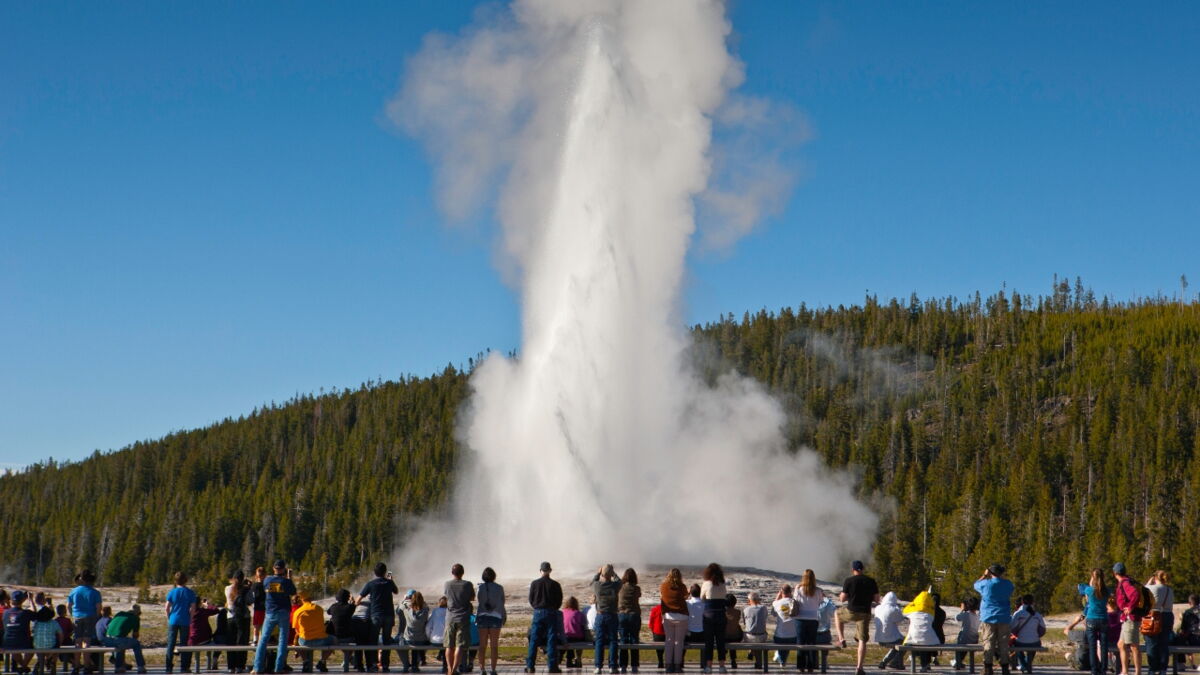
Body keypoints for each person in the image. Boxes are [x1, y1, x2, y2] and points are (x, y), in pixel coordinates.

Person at [834, 561, 881, 675]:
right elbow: (876, 599)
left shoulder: (849, 581)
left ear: (853, 569)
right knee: (862, 640)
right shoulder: (871, 581)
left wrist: (843, 595)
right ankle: (859, 667)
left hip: (852, 611)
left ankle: (841, 639)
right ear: (863, 569)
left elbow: (843, 599)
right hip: (865, 612)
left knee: (837, 614)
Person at [252, 560, 298, 675]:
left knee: (263, 640)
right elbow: (293, 592)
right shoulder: (285, 581)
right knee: (282, 641)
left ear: (273, 568)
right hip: (283, 612)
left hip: (270, 612)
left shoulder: (267, 580)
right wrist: (289, 578)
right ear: (283, 569)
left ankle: (257, 667)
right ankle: (278, 668)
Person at [358, 563, 400, 672]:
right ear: (385, 572)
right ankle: (385, 665)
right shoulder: (389, 583)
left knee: (373, 640)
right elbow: (396, 591)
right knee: (387, 641)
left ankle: (373, 664)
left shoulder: (370, 584)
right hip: (389, 616)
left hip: (376, 615)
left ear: (374, 572)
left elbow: (358, 599)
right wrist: (391, 580)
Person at [974, 564, 1015, 675]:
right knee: (1004, 643)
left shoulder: (985, 584)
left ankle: (988, 667)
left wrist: (984, 575)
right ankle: (1005, 668)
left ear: (990, 573)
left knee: (988, 642)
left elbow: (975, 584)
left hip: (988, 617)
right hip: (1004, 617)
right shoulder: (1008, 584)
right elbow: (1011, 589)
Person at [526, 561, 563, 673]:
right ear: (550, 571)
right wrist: (553, 608)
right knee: (551, 640)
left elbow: (531, 599)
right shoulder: (555, 584)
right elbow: (559, 600)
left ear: (540, 571)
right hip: (551, 612)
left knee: (534, 640)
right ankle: (552, 666)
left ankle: (530, 666)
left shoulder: (534, 583)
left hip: (538, 612)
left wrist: (537, 607)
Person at [292, 590, 335, 673]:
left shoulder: (298, 612)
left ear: (300, 600)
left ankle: (305, 661)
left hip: (305, 641)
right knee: (334, 640)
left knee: (296, 641)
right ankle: (322, 661)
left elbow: (296, 630)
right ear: (310, 598)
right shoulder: (319, 609)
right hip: (321, 640)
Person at [1076, 569, 1109, 675]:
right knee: (1104, 646)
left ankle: (1094, 670)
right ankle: (1103, 669)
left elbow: (1080, 586)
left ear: (1093, 578)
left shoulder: (1089, 590)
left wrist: (1091, 582)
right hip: (1103, 618)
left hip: (1091, 619)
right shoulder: (1106, 591)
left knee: (1092, 646)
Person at [69, 569, 104, 673]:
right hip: (90, 616)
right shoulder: (95, 592)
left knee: (77, 641)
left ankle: (76, 665)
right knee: (87, 641)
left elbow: (69, 606)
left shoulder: (74, 591)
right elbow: (98, 607)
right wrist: (97, 616)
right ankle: (87, 666)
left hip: (77, 617)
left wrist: (73, 615)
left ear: (82, 579)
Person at [444, 564, 476, 675]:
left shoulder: (447, 584)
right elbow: (472, 598)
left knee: (449, 645)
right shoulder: (467, 584)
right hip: (463, 617)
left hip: (450, 618)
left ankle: (449, 668)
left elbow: (446, 597)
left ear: (452, 573)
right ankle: (454, 669)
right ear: (463, 573)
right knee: (460, 645)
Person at [1113, 563, 1144, 675]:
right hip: (1127, 618)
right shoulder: (1127, 581)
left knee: (1134, 645)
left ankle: (1137, 672)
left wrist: (1130, 607)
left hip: (1131, 618)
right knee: (1121, 644)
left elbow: (1135, 594)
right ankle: (1124, 671)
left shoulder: (1125, 583)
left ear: (1115, 573)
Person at [473, 567, 505, 675]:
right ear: (494, 576)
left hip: (482, 616)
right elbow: (502, 602)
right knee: (494, 645)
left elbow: (478, 600)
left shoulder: (480, 587)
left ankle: (482, 669)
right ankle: (493, 669)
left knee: (482, 645)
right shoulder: (499, 588)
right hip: (495, 617)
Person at [165, 572, 198, 674]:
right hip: (185, 620)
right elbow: (193, 608)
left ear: (175, 581)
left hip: (173, 619)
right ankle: (184, 667)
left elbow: (167, 607)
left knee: (171, 644)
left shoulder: (172, 592)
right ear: (186, 580)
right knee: (184, 644)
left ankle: (168, 667)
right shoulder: (190, 592)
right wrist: (191, 618)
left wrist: (169, 617)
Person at [592, 564, 623, 675]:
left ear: (602, 574)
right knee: (613, 641)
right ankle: (612, 666)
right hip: (612, 616)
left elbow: (592, 582)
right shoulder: (615, 586)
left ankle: (598, 667)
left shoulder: (597, 586)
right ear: (611, 574)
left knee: (599, 641)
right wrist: (613, 573)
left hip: (600, 615)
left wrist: (598, 573)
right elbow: (620, 581)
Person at [700, 563, 728, 675]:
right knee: (721, 641)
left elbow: (702, 598)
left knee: (709, 642)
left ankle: (709, 666)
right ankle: (722, 666)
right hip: (721, 614)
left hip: (709, 615)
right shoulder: (722, 584)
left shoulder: (706, 583)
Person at [1144, 571, 1175, 675]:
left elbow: (1143, 591)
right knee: (1164, 644)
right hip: (1168, 615)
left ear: (1155, 577)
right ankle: (1163, 669)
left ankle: (1153, 668)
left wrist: (1149, 582)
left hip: (1154, 616)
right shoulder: (1170, 590)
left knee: (1152, 643)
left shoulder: (1153, 588)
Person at [660, 569, 690, 674]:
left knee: (669, 641)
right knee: (678, 643)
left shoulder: (663, 586)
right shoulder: (682, 587)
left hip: (668, 616)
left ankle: (668, 665)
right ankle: (677, 665)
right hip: (681, 617)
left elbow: (663, 597)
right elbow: (686, 596)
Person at [903, 589, 939, 673]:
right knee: (924, 642)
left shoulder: (912, 611)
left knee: (916, 641)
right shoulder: (931, 611)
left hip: (913, 637)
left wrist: (912, 603)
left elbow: (904, 612)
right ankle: (924, 665)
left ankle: (910, 658)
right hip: (928, 638)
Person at [105, 605, 148, 674]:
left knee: (121, 644)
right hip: (118, 639)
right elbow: (135, 635)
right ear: (137, 613)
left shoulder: (120, 613)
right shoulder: (135, 618)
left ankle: (119, 666)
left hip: (106, 639)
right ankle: (141, 667)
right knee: (136, 643)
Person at [794, 570, 822, 673]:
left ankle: (801, 666)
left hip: (800, 618)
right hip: (813, 619)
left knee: (801, 643)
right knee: (811, 643)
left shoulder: (798, 589)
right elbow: (820, 603)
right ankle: (811, 666)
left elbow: (795, 601)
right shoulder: (818, 591)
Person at [1009, 595, 1045, 674]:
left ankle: (1024, 664)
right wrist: (1035, 635)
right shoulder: (1037, 615)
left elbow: (1012, 628)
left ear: (1022, 602)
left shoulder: (1018, 614)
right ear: (1033, 602)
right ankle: (1026, 664)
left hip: (1020, 642)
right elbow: (1043, 630)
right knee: (1034, 644)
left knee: (1015, 644)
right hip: (1035, 642)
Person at [228, 571, 254, 674]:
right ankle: (240, 666)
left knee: (231, 642)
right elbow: (250, 601)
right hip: (244, 617)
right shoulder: (246, 590)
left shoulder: (228, 589)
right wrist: (249, 588)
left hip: (230, 617)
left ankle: (231, 666)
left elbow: (228, 602)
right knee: (242, 641)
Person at [4, 590, 35, 673]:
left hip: (8, 642)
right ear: (22, 601)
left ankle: (23, 666)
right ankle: (24, 666)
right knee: (32, 645)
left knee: (13, 647)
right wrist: (31, 600)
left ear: (11, 601)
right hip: (23, 642)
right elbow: (34, 612)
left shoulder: (6, 613)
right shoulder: (25, 613)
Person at [618, 569, 642, 674]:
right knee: (634, 639)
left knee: (623, 640)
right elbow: (639, 595)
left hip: (622, 615)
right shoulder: (637, 588)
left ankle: (623, 665)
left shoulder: (620, 587)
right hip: (634, 615)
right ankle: (634, 665)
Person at [873, 592, 905, 670]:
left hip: (879, 638)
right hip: (890, 638)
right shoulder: (894, 609)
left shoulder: (878, 608)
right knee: (905, 644)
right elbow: (899, 620)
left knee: (896, 646)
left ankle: (892, 663)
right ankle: (892, 663)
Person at [401, 591, 432, 673]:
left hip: (409, 638)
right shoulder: (425, 611)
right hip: (421, 639)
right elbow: (426, 607)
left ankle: (407, 665)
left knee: (411, 642)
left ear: (412, 600)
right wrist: (422, 602)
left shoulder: (407, 610)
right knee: (419, 642)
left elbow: (401, 606)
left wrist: (405, 599)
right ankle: (418, 663)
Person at [32, 604, 64, 675]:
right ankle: (52, 663)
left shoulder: (36, 622)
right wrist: (60, 644)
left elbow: (33, 632)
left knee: (40, 650)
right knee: (56, 645)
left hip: (38, 646)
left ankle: (40, 664)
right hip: (51, 646)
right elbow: (61, 634)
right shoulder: (54, 622)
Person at [771, 585, 798, 666]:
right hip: (793, 637)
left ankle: (779, 656)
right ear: (791, 592)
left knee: (782, 639)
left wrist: (777, 598)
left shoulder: (776, 603)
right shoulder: (795, 603)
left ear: (781, 592)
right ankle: (781, 659)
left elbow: (773, 614)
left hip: (779, 637)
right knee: (788, 638)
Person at [951, 598, 980, 670]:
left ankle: (957, 661)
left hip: (965, 640)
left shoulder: (966, 614)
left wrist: (962, 609)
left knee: (961, 635)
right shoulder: (978, 616)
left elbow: (957, 618)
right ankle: (958, 661)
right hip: (974, 640)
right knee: (963, 638)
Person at [1173, 594, 1200, 672]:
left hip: (1193, 639)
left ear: (1189, 603)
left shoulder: (1188, 613)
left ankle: (1181, 663)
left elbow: (1183, 629)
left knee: (1179, 639)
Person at [742, 592, 768, 670]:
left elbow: (744, 623)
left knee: (749, 635)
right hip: (762, 636)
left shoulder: (746, 609)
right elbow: (764, 618)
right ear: (758, 600)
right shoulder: (763, 608)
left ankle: (751, 651)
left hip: (749, 636)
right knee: (759, 642)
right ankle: (758, 662)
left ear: (749, 600)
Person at [563, 597, 588, 669]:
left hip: (566, 636)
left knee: (568, 637)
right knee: (578, 636)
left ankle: (569, 659)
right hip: (578, 637)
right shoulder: (579, 613)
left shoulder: (563, 612)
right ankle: (578, 657)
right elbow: (584, 624)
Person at [427, 597, 447, 674]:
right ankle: (445, 666)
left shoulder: (435, 612)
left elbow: (428, 627)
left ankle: (417, 663)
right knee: (447, 644)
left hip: (435, 640)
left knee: (444, 643)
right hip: (446, 640)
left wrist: (428, 638)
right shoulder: (450, 612)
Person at [723, 595, 742, 670]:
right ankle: (733, 660)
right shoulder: (738, 612)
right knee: (734, 633)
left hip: (725, 637)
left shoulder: (722, 612)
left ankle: (724, 656)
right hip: (736, 637)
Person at [648, 601, 666, 670]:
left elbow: (651, 622)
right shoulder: (669, 610)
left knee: (659, 650)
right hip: (667, 632)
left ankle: (660, 661)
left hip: (657, 631)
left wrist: (653, 630)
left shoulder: (655, 609)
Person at [252, 568, 268, 646]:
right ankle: (258, 640)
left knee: (260, 626)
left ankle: (258, 640)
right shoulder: (264, 585)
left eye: (261, 575)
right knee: (259, 626)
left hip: (262, 608)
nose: (260, 577)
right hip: (261, 608)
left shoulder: (256, 585)